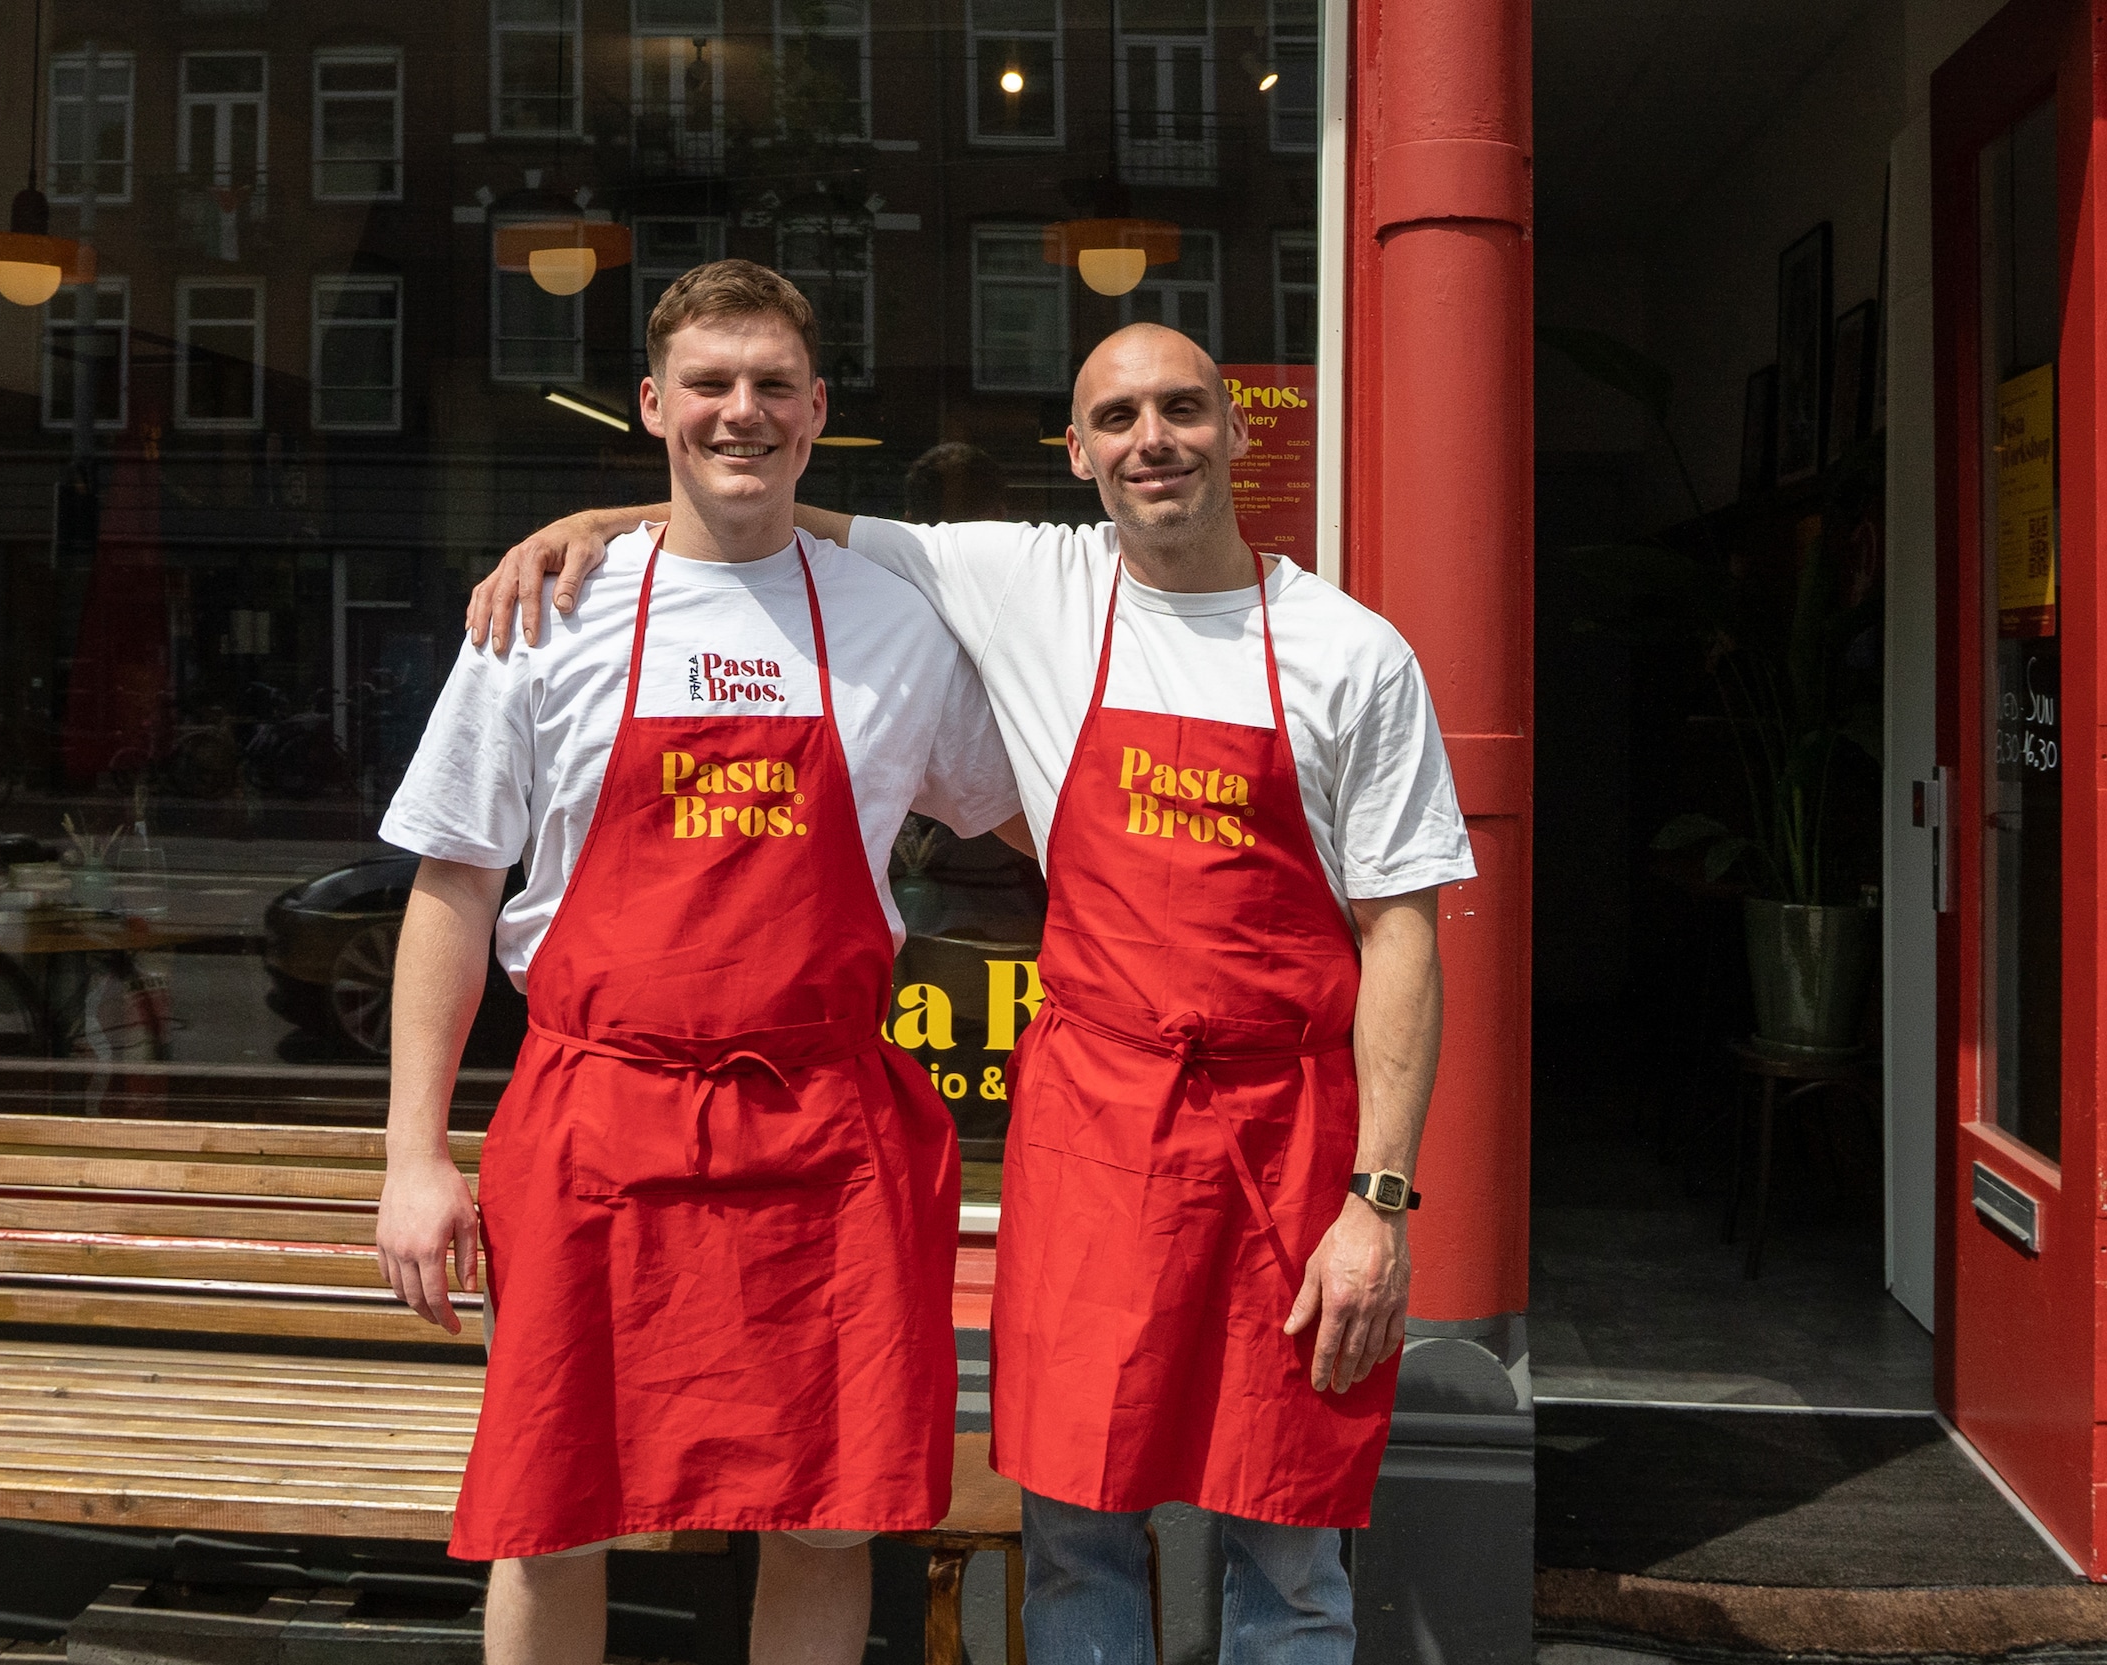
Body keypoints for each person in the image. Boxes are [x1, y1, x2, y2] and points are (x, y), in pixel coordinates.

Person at [467, 321, 1476, 1665]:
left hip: (1285, 1142)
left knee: (1286, 1551)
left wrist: (1379, 1201)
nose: (1153, 441)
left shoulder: (1354, 653)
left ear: (1239, 431)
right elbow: (766, 500)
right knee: (1076, 1539)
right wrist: (599, 521)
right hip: (1097, 1134)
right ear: (1077, 454)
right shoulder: (1030, 582)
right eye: (1116, 419)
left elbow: (1403, 936)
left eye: (1183, 409)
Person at [375, 261, 1019, 1665]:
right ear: (653, 405)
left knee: (827, 1519)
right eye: (710, 384)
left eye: (773, 384)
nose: (743, 412)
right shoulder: (544, 612)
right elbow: (453, 887)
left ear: (818, 410)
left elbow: (1033, 816)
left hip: (825, 1129)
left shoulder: (897, 621)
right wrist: (414, 1155)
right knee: (555, 1513)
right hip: (596, 1122)